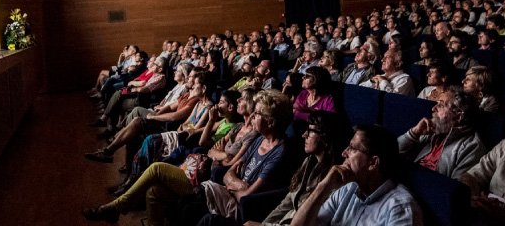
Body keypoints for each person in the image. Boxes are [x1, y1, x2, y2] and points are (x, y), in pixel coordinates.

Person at [83, 90, 294, 225]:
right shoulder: (259, 139)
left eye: (258, 114)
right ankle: (115, 208)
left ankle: (115, 208)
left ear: (271, 121)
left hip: (228, 200)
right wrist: (231, 177)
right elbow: (228, 167)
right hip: (217, 182)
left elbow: (247, 193)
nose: (254, 117)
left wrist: (231, 178)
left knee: (157, 169)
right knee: (154, 192)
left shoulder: (280, 151)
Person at [290, 124, 423, 226]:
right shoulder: (347, 189)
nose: (344, 153)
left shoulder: (400, 208)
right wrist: (323, 187)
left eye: (352, 149)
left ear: (373, 163)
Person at [247, 111, 351, 226]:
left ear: (325, 137)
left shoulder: (336, 178)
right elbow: (286, 204)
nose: (304, 135)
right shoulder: (308, 162)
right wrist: (265, 224)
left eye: (310, 132)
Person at [397, 85, 486, 179]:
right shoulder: (431, 131)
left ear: (458, 116)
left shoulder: (472, 147)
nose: (433, 108)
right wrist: (414, 133)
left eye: (441, 105)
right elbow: (393, 153)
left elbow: (456, 189)